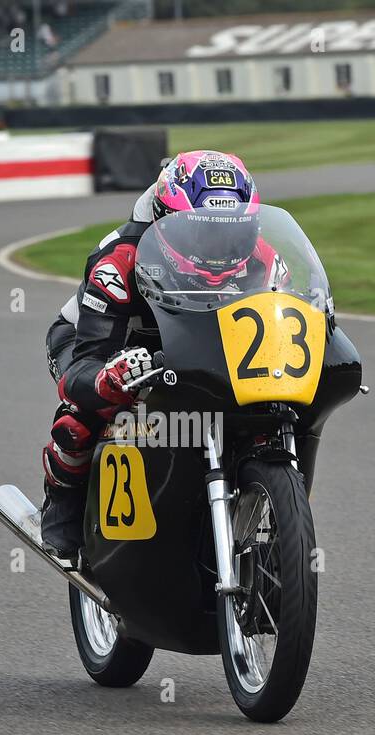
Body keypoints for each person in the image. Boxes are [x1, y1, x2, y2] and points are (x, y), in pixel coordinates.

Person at [39, 151, 277, 558]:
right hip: (101, 340)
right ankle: (63, 501)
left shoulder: (264, 260)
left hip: (195, 341)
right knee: (86, 412)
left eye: (233, 233)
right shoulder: (118, 261)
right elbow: (83, 361)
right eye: (203, 234)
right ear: (166, 222)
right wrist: (106, 376)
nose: (221, 249)